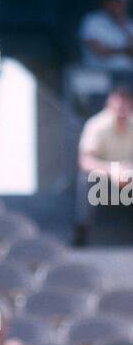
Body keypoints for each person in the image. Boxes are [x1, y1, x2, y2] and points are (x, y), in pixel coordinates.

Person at [74, 82, 133, 245]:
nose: (121, 106)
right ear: (109, 104)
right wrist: (113, 170)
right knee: (85, 179)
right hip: (104, 179)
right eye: (118, 101)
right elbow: (85, 161)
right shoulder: (97, 125)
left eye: (126, 102)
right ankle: (81, 230)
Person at [79, 0, 133, 72]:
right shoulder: (92, 20)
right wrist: (125, 50)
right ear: (106, 2)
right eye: (115, 2)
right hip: (98, 73)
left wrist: (125, 29)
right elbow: (100, 52)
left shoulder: (129, 23)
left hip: (127, 74)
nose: (118, 6)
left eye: (122, 3)